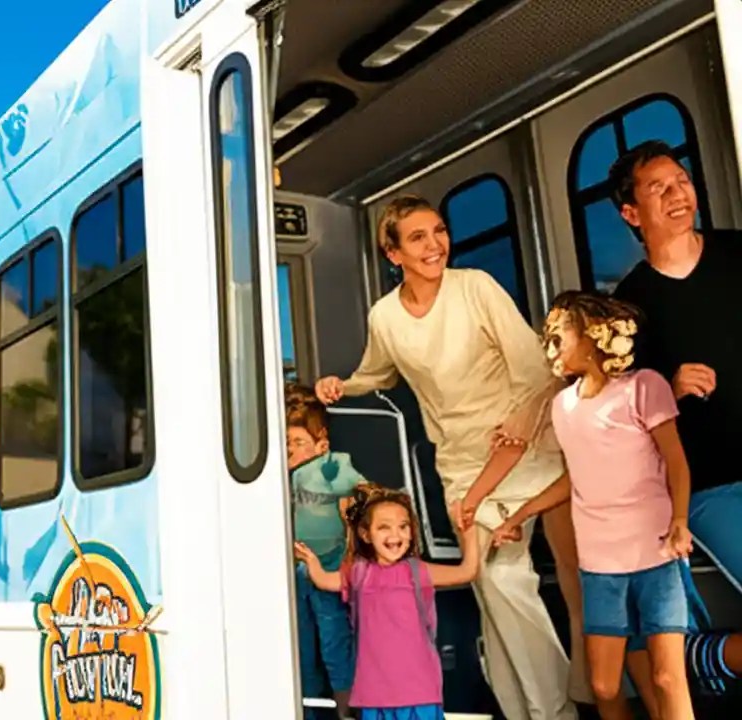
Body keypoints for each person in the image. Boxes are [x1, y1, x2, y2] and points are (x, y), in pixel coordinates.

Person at [314, 195, 583, 719]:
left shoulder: (476, 287)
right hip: (458, 464)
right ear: (393, 254)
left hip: (520, 449)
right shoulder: (386, 316)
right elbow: (378, 372)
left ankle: (554, 713)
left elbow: (534, 371)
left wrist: (522, 427)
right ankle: (523, 712)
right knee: (491, 592)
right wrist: (340, 386)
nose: (435, 245)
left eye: (439, 231)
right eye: (417, 237)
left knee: (507, 581)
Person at [491, 291, 696, 720]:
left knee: (667, 678)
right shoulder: (563, 406)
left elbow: (675, 462)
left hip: (656, 552)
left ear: (592, 337)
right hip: (600, 563)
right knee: (603, 685)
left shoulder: (645, 386)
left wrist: (679, 520)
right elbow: (575, 477)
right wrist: (522, 513)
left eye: (559, 334)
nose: (550, 346)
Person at [607, 140, 742, 594]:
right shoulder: (625, 308)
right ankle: (711, 661)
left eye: (681, 181)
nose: (678, 194)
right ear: (631, 213)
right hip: (711, 486)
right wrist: (668, 387)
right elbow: (618, 417)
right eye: (659, 188)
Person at [294, 484, 480, 720]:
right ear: (365, 534)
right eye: (384, 527)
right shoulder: (359, 573)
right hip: (373, 695)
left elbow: (468, 572)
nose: (395, 535)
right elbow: (322, 580)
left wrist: (470, 535)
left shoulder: (418, 572)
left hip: (419, 693)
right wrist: (311, 561)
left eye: (403, 527)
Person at [287, 391, 365, 719]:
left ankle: (349, 712)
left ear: (321, 442)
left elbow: (364, 495)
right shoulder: (274, 477)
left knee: (335, 646)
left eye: (298, 441)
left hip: (331, 569)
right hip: (295, 573)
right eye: (286, 442)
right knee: (300, 649)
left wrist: (351, 551)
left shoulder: (332, 467)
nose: (290, 449)